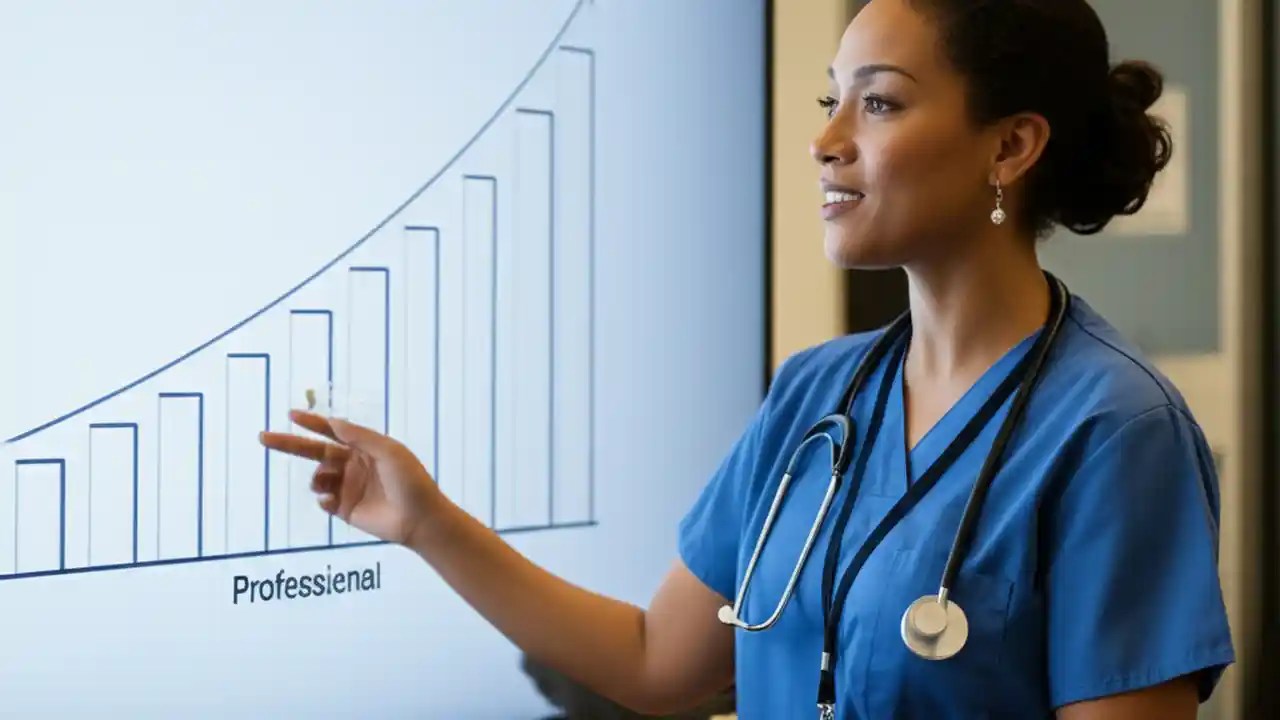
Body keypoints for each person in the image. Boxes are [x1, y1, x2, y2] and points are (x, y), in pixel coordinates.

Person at [259, 0, 1236, 716]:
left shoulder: (1114, 431)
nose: (825, 141)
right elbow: (657, 663)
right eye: (830, 100)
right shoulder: (817, 395)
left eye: (879, 104)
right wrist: (426, 522)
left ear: (1010, 147)